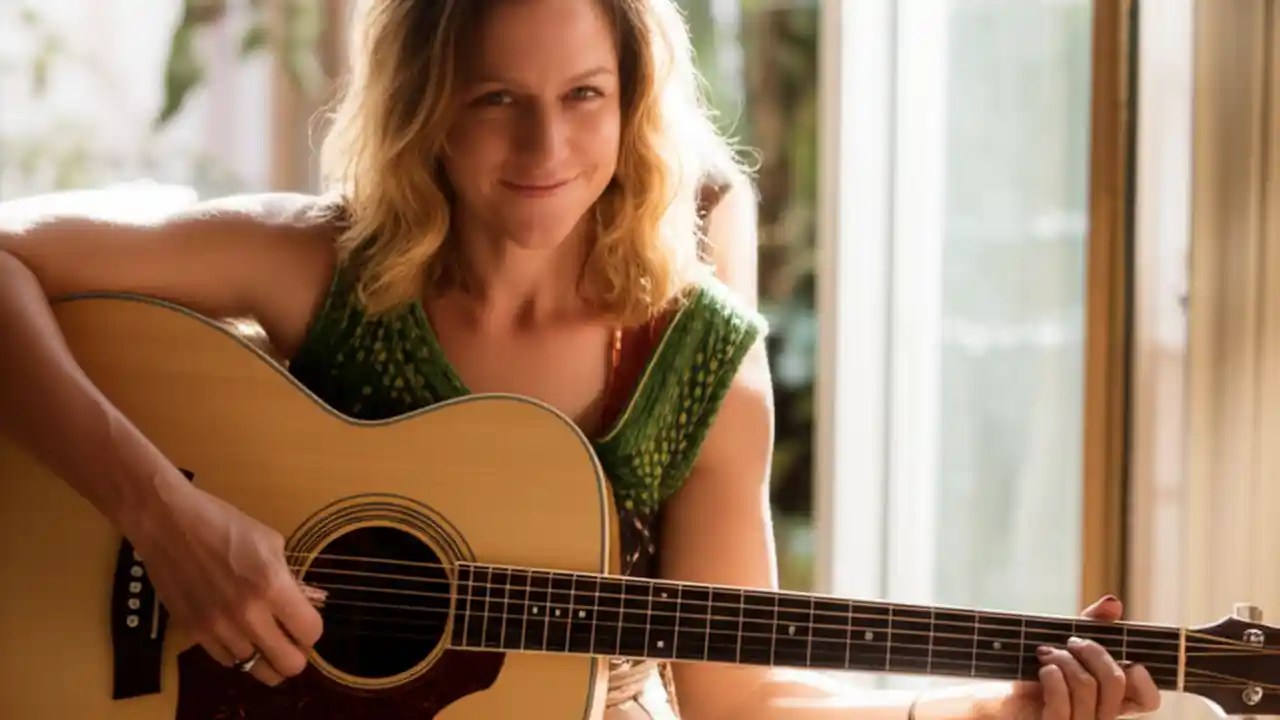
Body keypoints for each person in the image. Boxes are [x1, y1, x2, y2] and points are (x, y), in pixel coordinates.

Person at [0, 1, 1160, 719]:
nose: (545, 149)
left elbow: (737, 698)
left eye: (584, 97)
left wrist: (984, 712)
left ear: (634, 104)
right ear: (426, 108)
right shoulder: (320, 265)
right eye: (496, 97)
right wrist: (159, 512)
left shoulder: (699, 363)